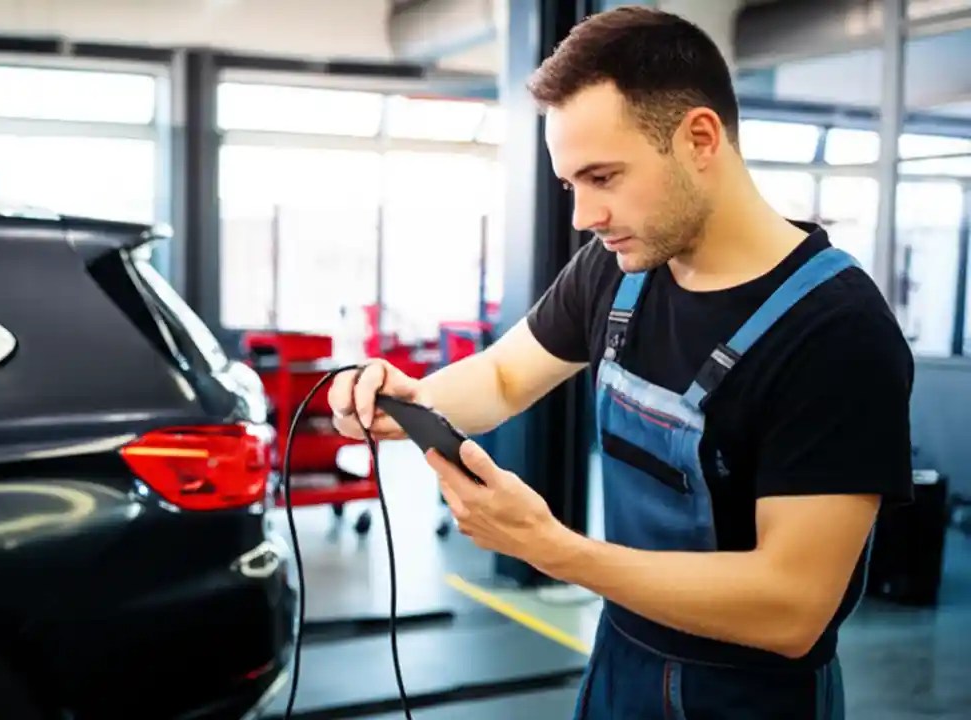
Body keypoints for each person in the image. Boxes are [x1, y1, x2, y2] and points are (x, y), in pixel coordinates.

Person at [328, 6, 914, 720]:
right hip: (620, 663)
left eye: (603, 177)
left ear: (700, 138)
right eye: (572, 183)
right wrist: (407, 402)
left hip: (751, 697)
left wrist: (555, 550)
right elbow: (504, 376)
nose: (582, 215)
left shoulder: (836, 331)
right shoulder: (615, 273)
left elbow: (790, 609)